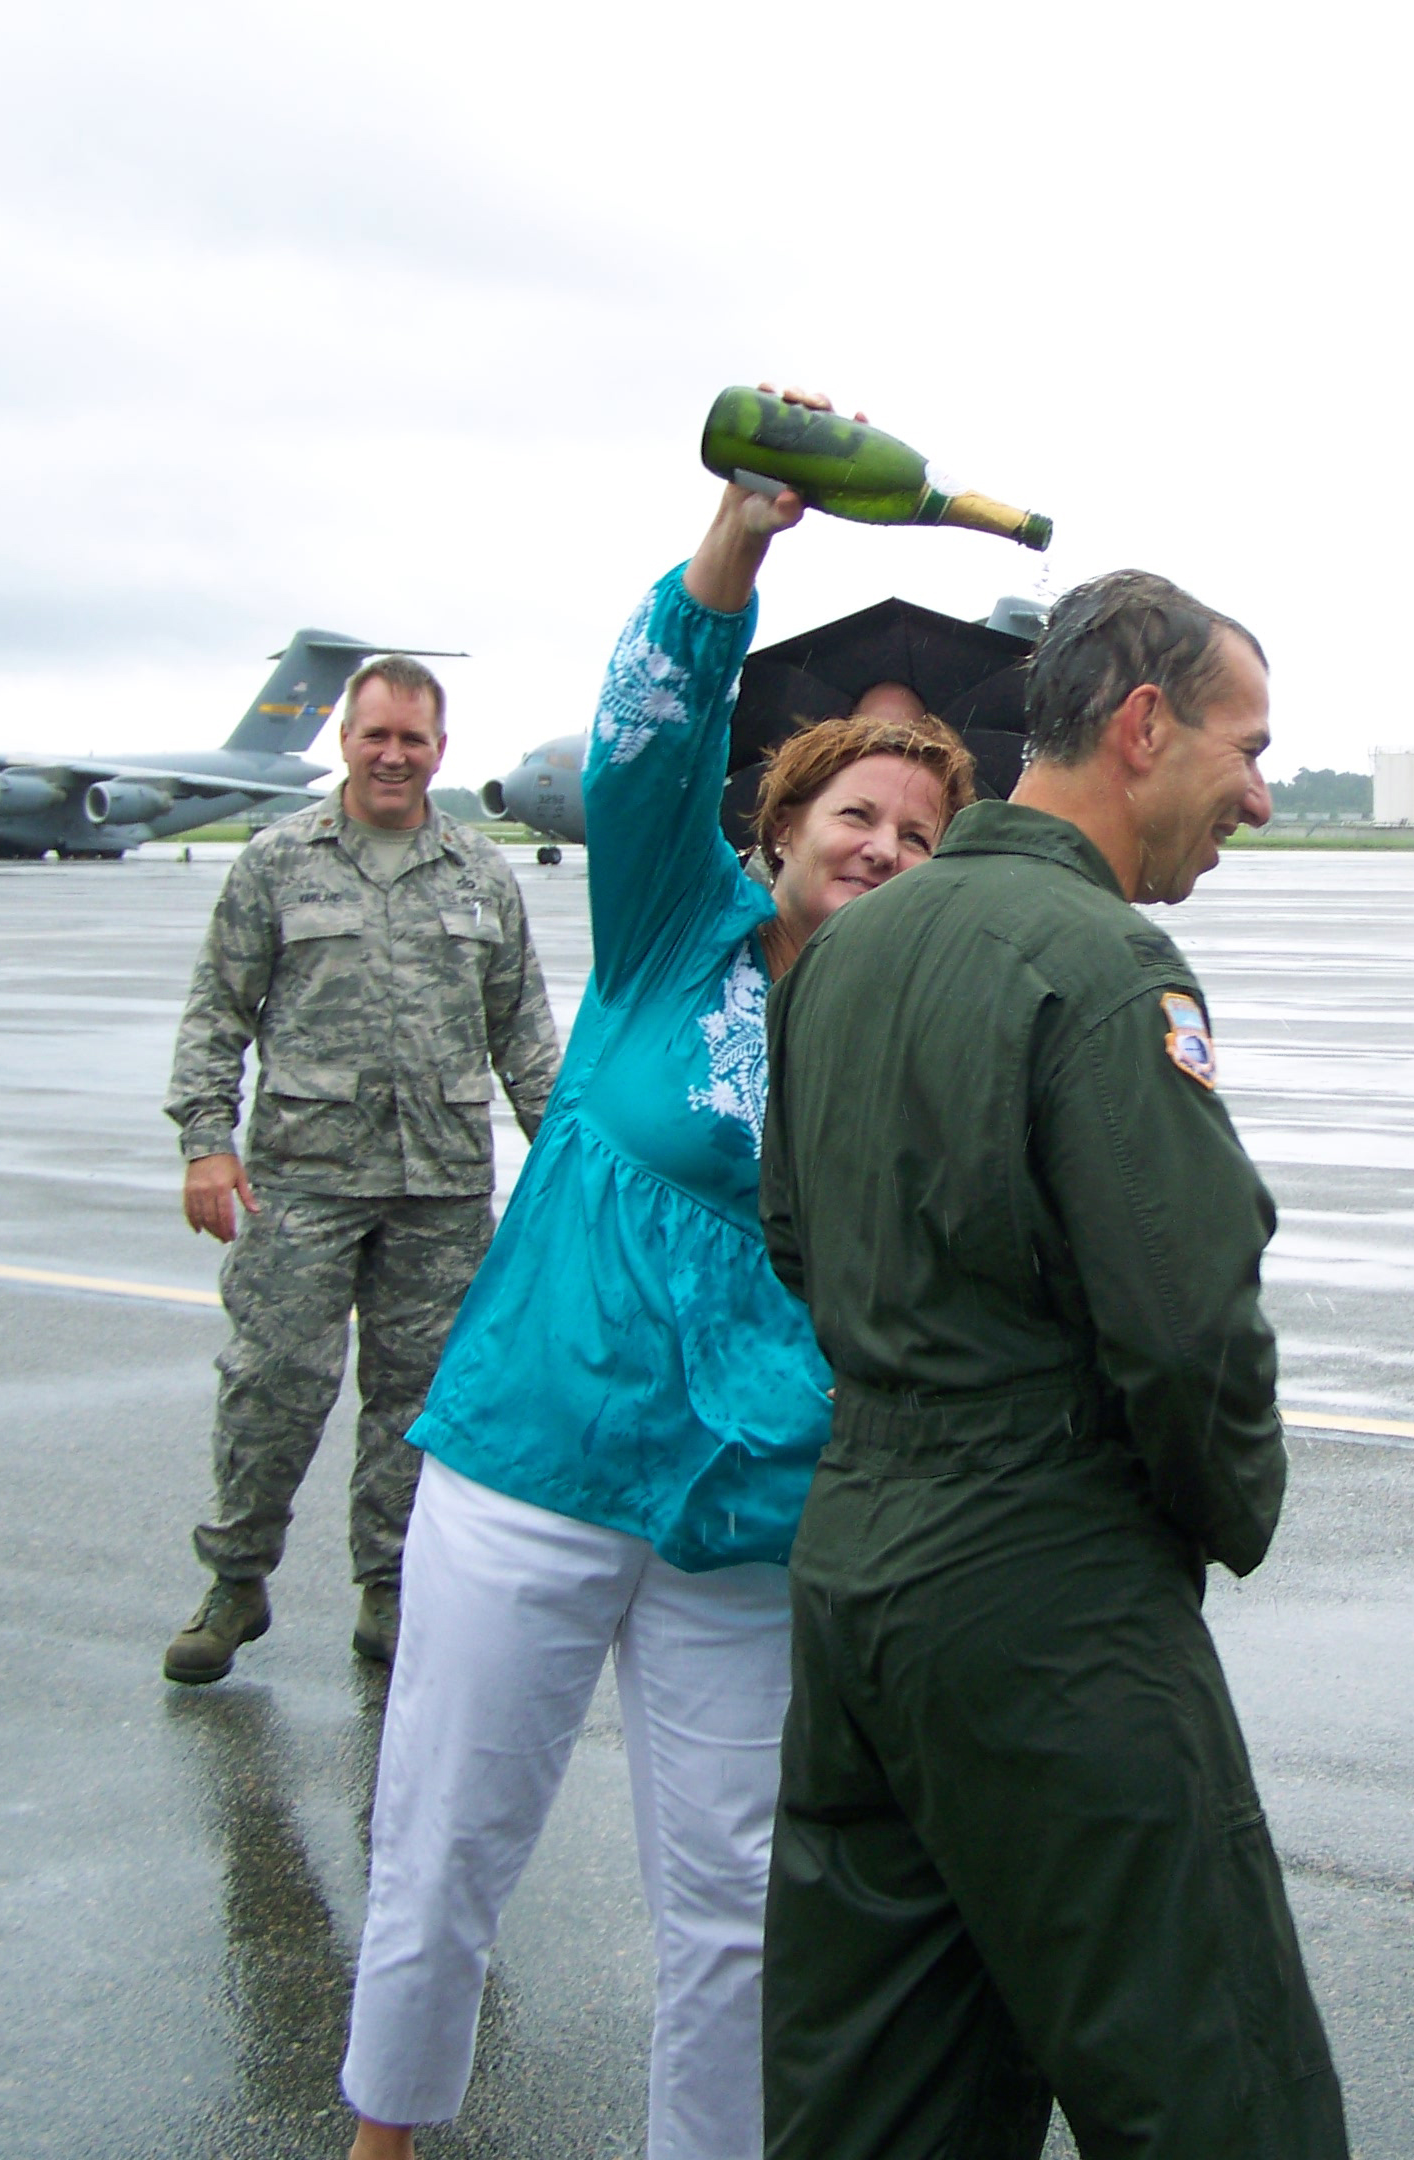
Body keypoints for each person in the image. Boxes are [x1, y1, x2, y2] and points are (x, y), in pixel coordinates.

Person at [339, 392, 977, 2160]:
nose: (883, 848)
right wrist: (742, 537)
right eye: (860, 812)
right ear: (782, 825)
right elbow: (647, 727)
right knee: (446, 1838)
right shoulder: (671, 930)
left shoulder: (919, 1033)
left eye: (924, 841)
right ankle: (381, 2141)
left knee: (737, 1902)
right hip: (539, 1456)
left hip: (749, 1509)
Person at [757, 570, 1349, 2157]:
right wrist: (1223, 1513)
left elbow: (798, 1242)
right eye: (1249, 746)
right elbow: (1185, 1327)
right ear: (1145, 725)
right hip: (1045, 1597)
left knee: (883, 2096)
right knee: (1215, 2085)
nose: (1263, 796)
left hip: (857, 1576)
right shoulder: (1099, 970)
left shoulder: (845, 955)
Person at [161, 654, 558, 1683]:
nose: (393, 755)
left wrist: (565, 1159)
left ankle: (391, 1587)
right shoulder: (278, 861)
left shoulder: (480, 872)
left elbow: (523, 1034)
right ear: (345, 738)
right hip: (303, 1178)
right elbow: (217, 1010)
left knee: (416, 1397)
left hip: (439, 1185)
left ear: (439, 749)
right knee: (274, 1384)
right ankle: (236, 1580)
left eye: (412, 739)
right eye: (375, 735)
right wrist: (208, 1141)